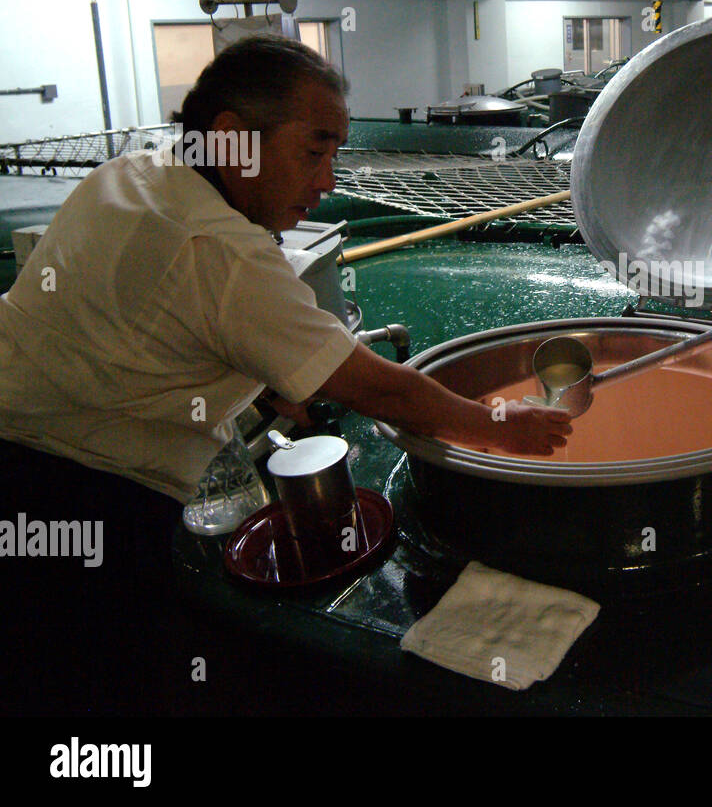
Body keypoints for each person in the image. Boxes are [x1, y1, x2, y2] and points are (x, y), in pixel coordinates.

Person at [0, 36, 570, 711]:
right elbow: (380, 389)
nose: (328, 179)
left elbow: (146, 318)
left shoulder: (130, 177)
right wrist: (501, 424)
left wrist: (259, 368)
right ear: (233, 139)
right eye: (313, 150)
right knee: (92, 686)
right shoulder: (222, 251)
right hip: (75, 495)